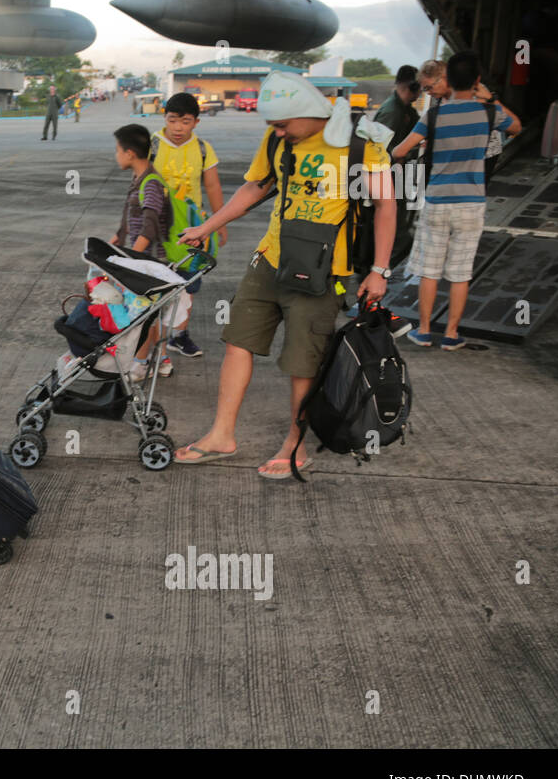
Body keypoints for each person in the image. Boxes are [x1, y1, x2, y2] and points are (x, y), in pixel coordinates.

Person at [173, 72, 396, 479]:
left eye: (281, 124)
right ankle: (222, 435)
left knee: (302, 362)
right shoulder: (278, 140)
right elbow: (256, 187)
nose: (276, 131)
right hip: (270, 258)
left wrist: (379, 271)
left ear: (309, 113)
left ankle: (294, 446)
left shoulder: (360, 144)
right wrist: (207, 226)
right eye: (272, 125)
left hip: (323, 271)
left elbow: (385, 206)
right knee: (238, 341)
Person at [392, 50, 521, 350]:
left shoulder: (434, 116)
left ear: (448, 79)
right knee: (460, 273)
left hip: (437, 200)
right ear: (476, 80)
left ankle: (423, 331)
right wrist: (492, 99)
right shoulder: (488, 113)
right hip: (471, 202)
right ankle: (451, 335)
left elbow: (399, 151)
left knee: (430, 269)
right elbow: (516, 127)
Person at [148, 92, 226, 361]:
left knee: (189, 284)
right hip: (157, 229)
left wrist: (220, 222)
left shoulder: (203, 149)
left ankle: (179, 336)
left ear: (196, 122)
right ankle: (151, 346)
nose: (178, 128)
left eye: (185, 121)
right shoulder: (151, 146)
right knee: (154, 286)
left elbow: (213, 186)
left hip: (192, 230)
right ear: (164, 119)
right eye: (173, 120)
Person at [109, 124, 175, 377]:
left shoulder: (150, 183)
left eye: (117, 150)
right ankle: (163, 359)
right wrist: (114, 242)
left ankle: (141, 364)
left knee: (141, 315)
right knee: (151, 313)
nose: (116, 155)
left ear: (130, 153)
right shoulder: (139, 178)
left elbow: (149, 228)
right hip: (141, 258)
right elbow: (130, 219)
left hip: (149, 262)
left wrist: (132, 261)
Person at [373, 65, 421, 147]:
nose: (421, 91)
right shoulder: (392, 112)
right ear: (414, 87)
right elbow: (381, 148)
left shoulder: (407, 110)